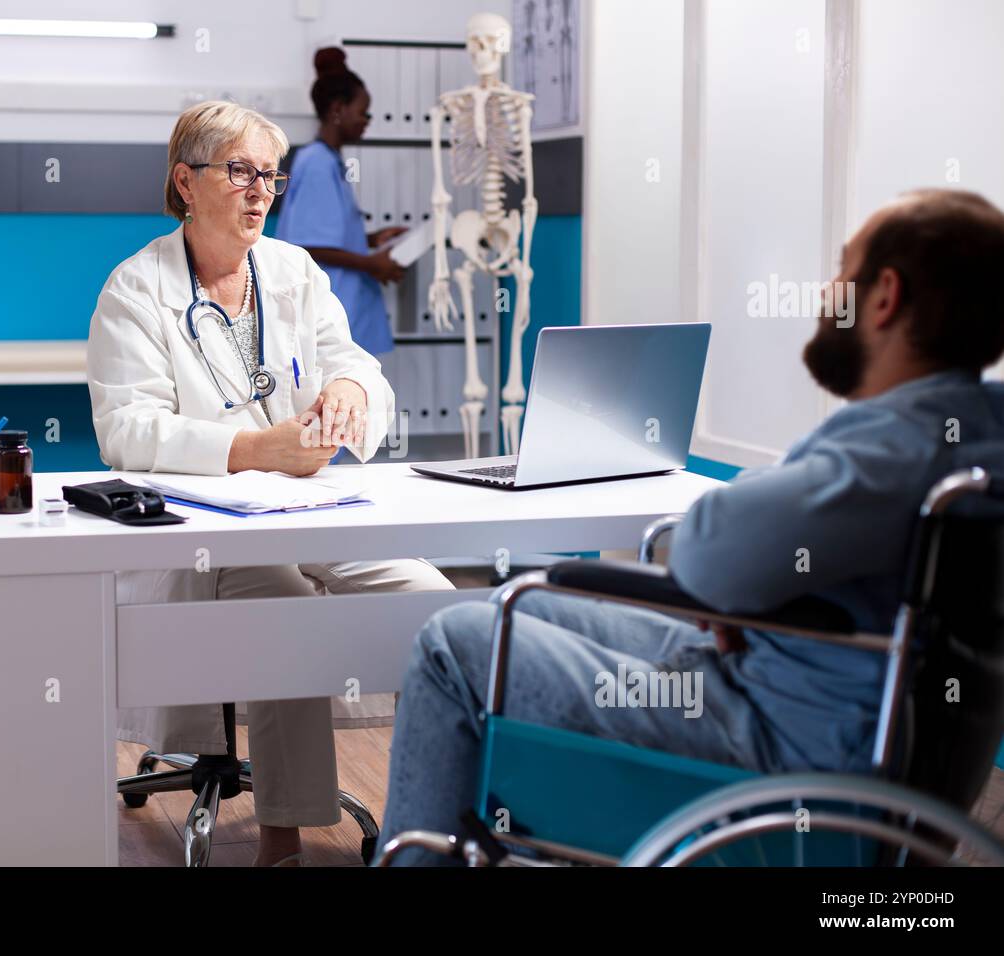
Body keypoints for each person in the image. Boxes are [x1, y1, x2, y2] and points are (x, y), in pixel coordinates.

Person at [375, 188, 1004, 864]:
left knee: (460, 638)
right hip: (824, 693)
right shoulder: (973, 430)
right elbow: (777, 561)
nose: (827, 292)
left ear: (883, 296)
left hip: (780, 739)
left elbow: (705, 555)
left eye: (841, 271)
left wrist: (734, 585)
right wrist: (747, 596)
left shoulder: (890, 452)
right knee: (538, 604)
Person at [86, 100, 452, 867]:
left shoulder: (292, 271)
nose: (261, 191)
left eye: (270, 176)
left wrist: (351, 394)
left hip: (313, 505)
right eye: (241, 172)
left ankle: (440, 813)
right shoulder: (135, 289)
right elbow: (129, 431)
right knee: (281, 603)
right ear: (185, 182)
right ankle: (281, 842)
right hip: (201, 531)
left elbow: (351, 362)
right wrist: (255, 449)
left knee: (430, 599)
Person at [275, 47, 408, 360]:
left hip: (344, 304)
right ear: (338, 109)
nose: (367, 121)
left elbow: (328, 233)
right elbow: (306, 245)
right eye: (363, 112)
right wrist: (371, 263)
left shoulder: (328, 161)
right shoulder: (317, 162)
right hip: (329, 310)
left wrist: (372, 240)